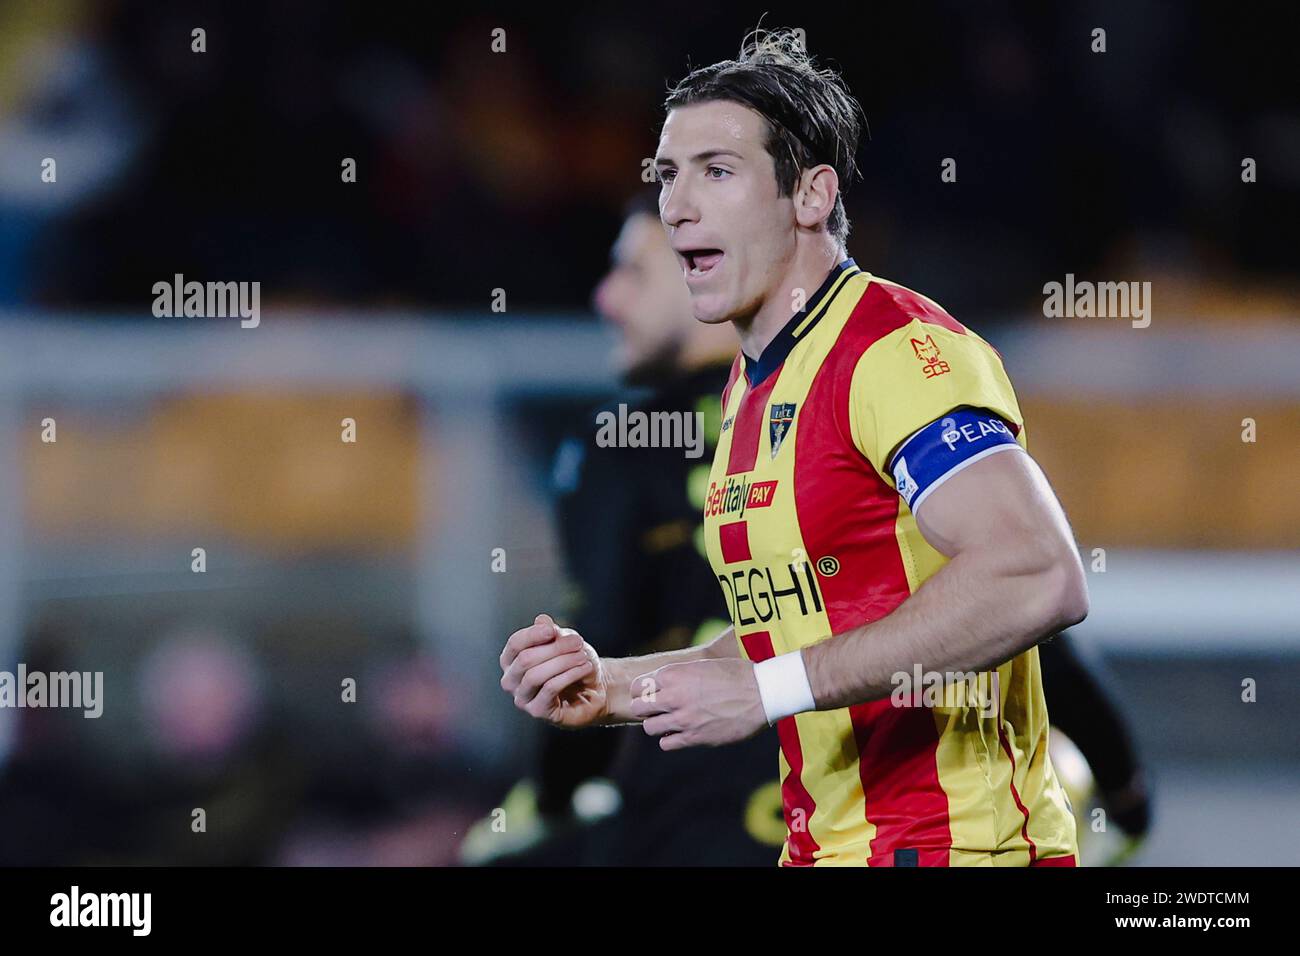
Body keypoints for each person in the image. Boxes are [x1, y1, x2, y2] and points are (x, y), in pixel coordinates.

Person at [502, 27, 1095, 866]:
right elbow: (790, 629)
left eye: (717, 170)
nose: (676, 204)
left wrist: (767, 690)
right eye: (668, 175)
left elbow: (1038, 573)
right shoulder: (753, 384)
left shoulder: (893, 348)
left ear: (811, 196)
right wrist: (614, 687)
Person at [463, 192, 784, 865]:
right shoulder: (844, 416)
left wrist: (550, 800)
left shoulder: (618, 441)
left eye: (633, 271)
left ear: (711, 271)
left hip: (687, 811)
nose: (607, 299)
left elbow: (593, 651)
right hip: (852, 806)